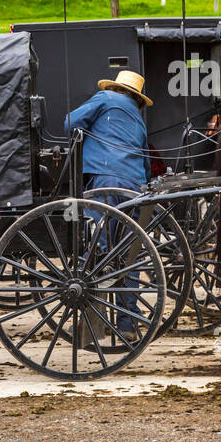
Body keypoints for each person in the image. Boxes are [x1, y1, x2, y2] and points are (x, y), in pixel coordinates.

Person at [63, 69, 154, 341]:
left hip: (104, 181)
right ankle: (128, 324)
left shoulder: (104, 98)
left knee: (98, 252)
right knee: (127, 257)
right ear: (136, 97)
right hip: (133, 187)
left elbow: (69, 123)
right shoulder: (138, 120)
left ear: (116, 88)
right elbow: (146, 160)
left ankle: (92, 325)